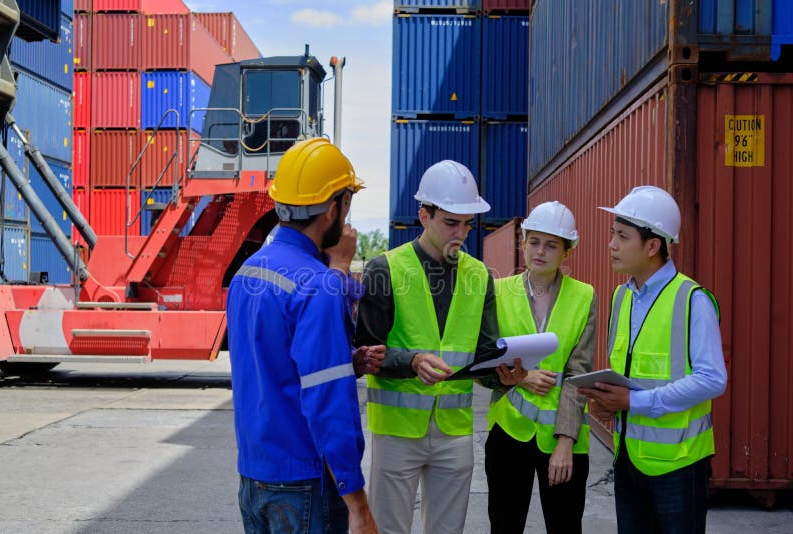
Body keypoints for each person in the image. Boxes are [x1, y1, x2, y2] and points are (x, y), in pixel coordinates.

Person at [226, 137, 381, 534]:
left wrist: (344, 359)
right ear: (333, 207)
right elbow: (328, 401)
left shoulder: (247, 275)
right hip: (304, 483)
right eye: (348, 206)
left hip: (254, 476)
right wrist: (357, 503)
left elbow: (274, 366)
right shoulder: (317, 285)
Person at [354, 160, 498, 534]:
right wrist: (413, 361)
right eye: (451, 222)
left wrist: (506, 376)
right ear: (424, 215)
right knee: (388, 529)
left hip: (455, 431)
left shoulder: (480, 276)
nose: (461, 233)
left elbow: (484, 354)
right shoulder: (384, 269)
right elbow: (366, 353)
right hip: (397, 430)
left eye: (467, 223)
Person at [581, 186, 727, 534]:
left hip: (679, 467)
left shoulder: (692, 300)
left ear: (652, 246)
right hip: (628, 459)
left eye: (621, 236)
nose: (611, 245)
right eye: (612, 235)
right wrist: (605, 399)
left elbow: (712, 379)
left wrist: (635, 401)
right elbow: (627, 369)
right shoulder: (621, 297)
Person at [485, 201, 596, 534]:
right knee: (504, 526)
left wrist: (565, 442)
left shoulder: (584, 296)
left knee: (565, 527)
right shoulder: (498, 292)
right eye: (534, 242)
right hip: (509, 431)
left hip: (563, 438)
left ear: (567, 252)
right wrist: (520, 378)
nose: (541, 251)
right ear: (523, 243)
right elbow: (482, 363)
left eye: (552, 245)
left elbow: (579, 374)